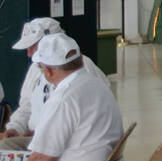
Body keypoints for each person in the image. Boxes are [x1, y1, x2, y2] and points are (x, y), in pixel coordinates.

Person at [4, 17, 108, 147]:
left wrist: (42, 134)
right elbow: (27, 106)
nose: (29, 54)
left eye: (33, 47)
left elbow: (90, 117)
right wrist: (15, 128)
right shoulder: (35, 68)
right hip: (41, 138)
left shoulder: (82, 68)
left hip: (69, 144)